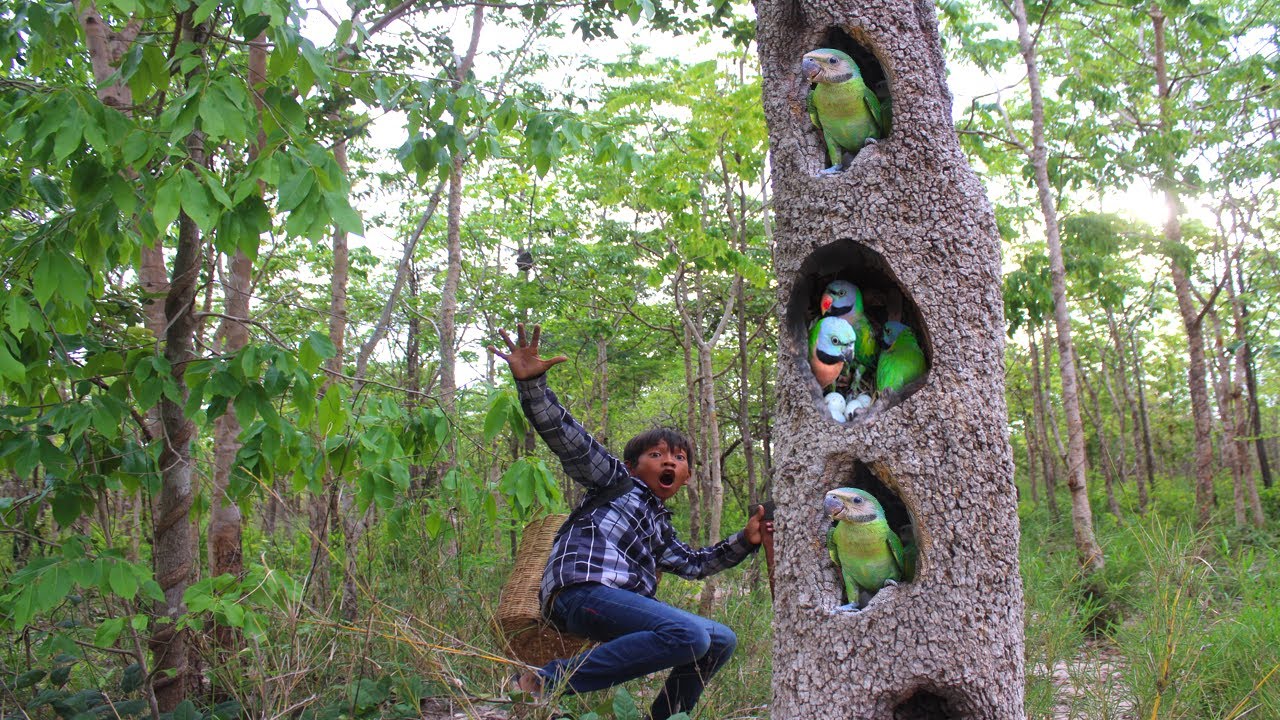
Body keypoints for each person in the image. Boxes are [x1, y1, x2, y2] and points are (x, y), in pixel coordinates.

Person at [490, 324, 772, 720]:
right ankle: (541, 681)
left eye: (679, 458)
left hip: (620, 604)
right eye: (657, 455)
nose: (670, 461)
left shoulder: (659, 525)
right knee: (687, 634)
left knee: (721, 639)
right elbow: (568, 439)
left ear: (688, 476)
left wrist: (745, 539)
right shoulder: (614, 483)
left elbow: (695, 563)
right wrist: (533, 386)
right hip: (581, 594)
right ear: (631, 466)